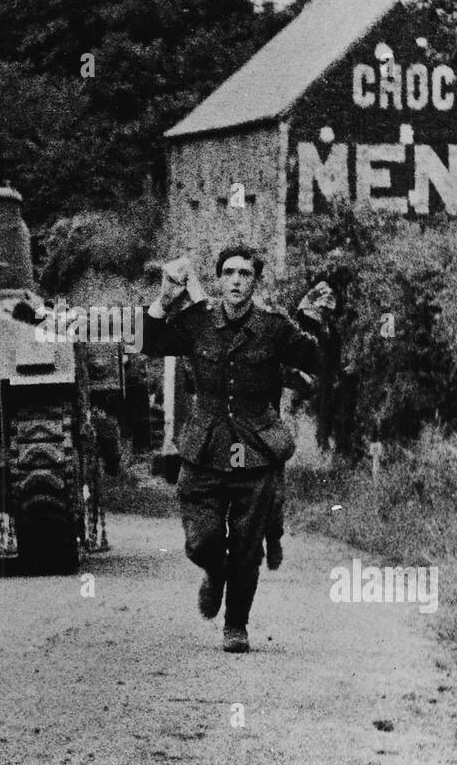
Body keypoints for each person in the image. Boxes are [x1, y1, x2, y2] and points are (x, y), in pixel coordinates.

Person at [141, 245, 334, 652]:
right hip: (205, 447)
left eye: (245, 274)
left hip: (256, 448)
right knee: (201, 540)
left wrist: (315, 319)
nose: (236, 281)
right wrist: (164, 298)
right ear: (218, 278)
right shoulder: (197, 322)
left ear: (254, 281)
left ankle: (236, 625)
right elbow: (150, 341)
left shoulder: (274, 326)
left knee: (248, 547)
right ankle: (214, 572)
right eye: (229, 273)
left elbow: (316, 359)